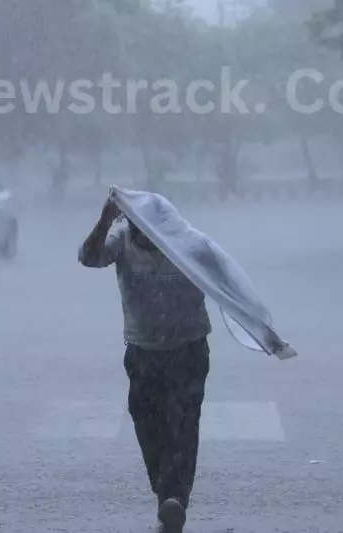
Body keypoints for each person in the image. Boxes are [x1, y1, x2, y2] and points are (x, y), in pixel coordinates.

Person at [78, 196, 211, 533]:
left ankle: (174, 499)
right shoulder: (121, 237)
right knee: (148, 425)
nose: (144, 238)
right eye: (138, 230)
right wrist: (105, 218)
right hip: (143, 352)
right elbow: (89, 258)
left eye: (150, 232)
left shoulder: (188, 242)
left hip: (188, 350)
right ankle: (166, 493)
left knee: (182, 426)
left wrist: (262, 332)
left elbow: (228, 283)